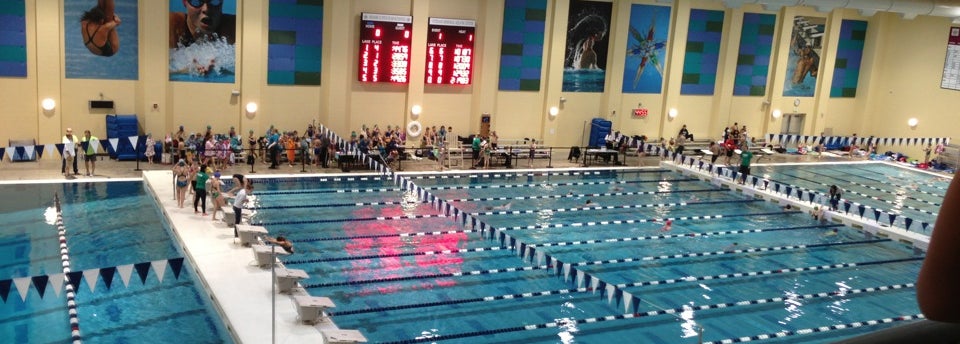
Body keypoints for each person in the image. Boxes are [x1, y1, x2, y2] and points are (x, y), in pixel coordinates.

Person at [169, 0, 237, 49]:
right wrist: (190, 67)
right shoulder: (171, 25)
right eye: (196, 2)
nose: (206, 9)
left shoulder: (235, 28)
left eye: (214, 1)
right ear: (184, 2)